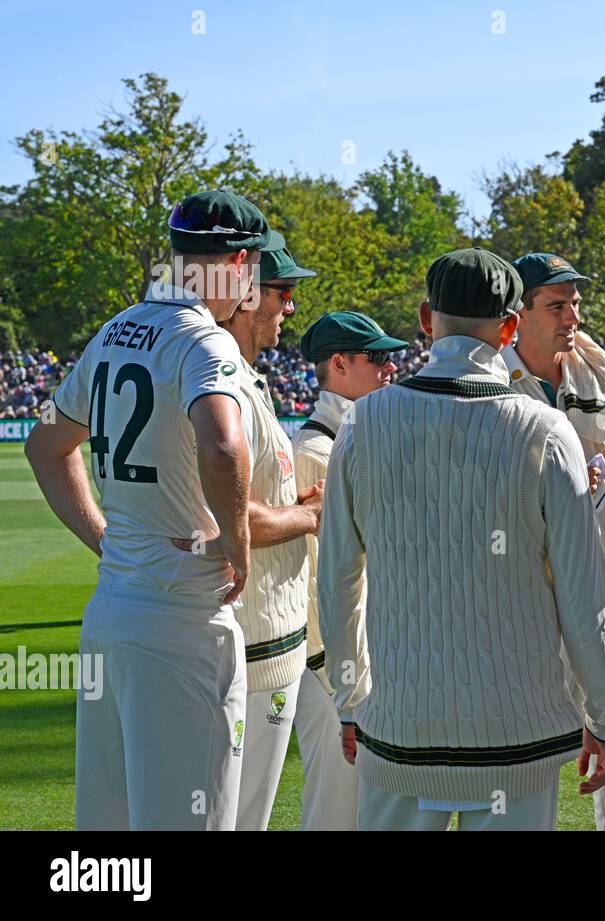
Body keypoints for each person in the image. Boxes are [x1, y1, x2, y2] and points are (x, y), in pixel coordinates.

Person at [316, 248, 605, 831]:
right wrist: (603, 717)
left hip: (402, 724)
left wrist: (349, 700)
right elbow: (585, 595)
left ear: (428, 319)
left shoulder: (364, 423)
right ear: (509, 327)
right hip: (517, 734)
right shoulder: (545, 429)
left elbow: (337, 583)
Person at [25, 189, 273, 829]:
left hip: (111, 611)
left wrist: (104, 539)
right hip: (184, 619)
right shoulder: (205, 343)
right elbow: (222, 446)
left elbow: (46, 444)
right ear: (241, 263)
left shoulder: (114, 330)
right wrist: (238, 545)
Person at [502, 252, 605, 831]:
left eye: (576, 304)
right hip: (518, 581)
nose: (572, 317)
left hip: (594, 571)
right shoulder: (491, 374)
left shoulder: (595, 372)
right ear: (519, 313)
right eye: (556, 305)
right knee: (522, 734)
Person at [210, 239, 322, 829]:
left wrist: (292, 507)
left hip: (269, 647)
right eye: (284, 294)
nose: (291, 308)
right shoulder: (223, 374)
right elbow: (232, 513)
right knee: (233, 816)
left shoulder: (242, 375)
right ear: (247, 296)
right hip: (253, 651)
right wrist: (308, 517)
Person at [291, 311, 406, 830]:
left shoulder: (361, 436)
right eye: (377, 358)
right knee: (337, 810)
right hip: (336, 672)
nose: (391, 368)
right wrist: (344, 686)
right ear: (339, 364)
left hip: (371, 661)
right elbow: (321, 586)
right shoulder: (317, 452)